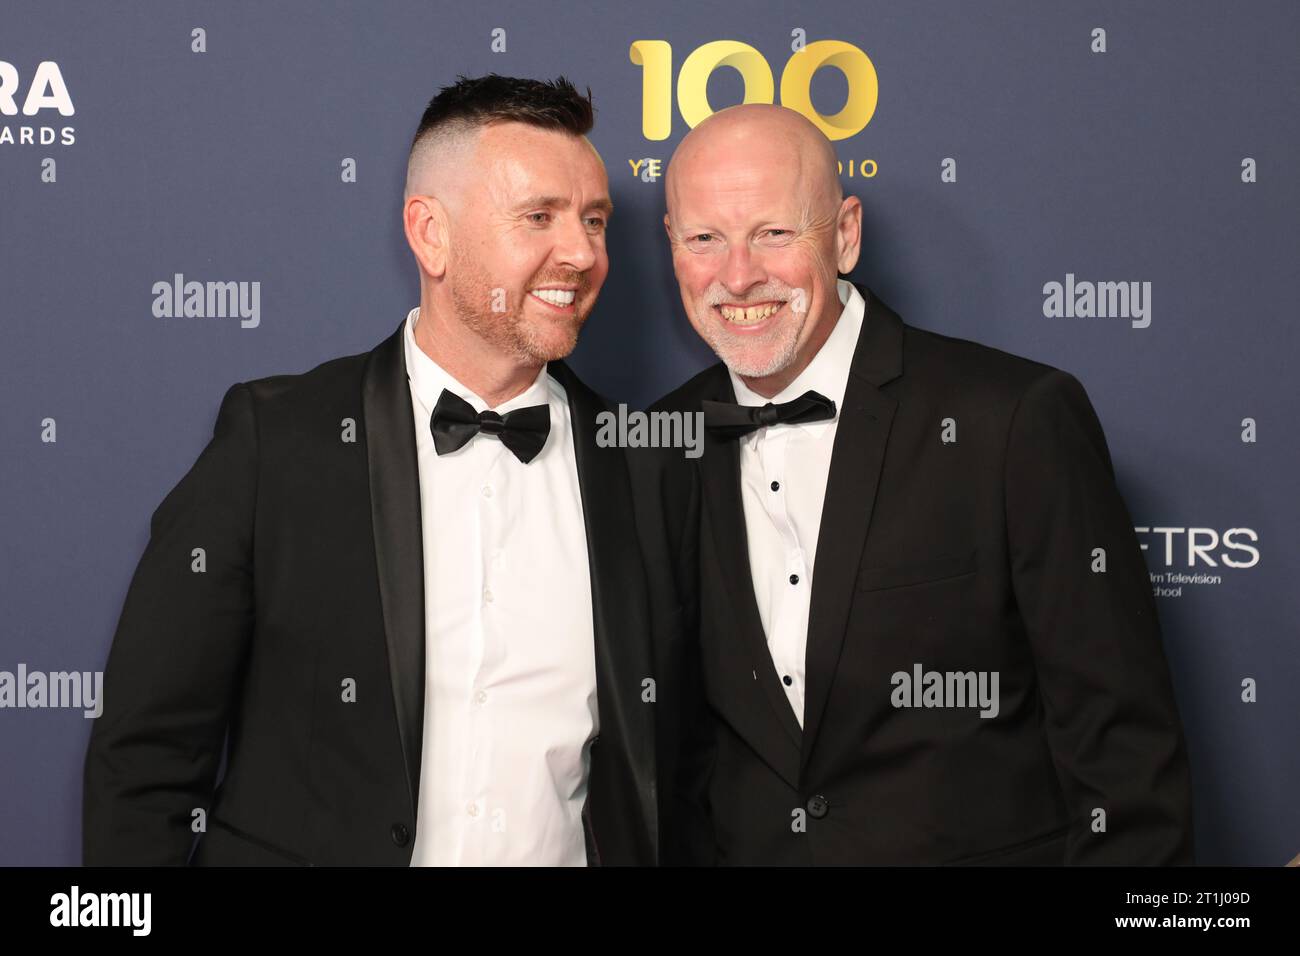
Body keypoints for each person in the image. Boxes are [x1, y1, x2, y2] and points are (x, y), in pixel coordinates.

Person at [83, 74, 680, 866]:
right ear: (431, 235)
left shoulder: (641, 468)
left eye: (594, 220)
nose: (581, 253)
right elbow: (145, 759)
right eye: (539, 216)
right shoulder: (276, 442)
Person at [652, 103, 1195, 865]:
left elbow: (1124, 754)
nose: (738, 275)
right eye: (705, 238)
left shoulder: (1013, 418)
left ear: (845, 235)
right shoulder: (658, 444)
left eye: (773, 232)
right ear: (672, 245)